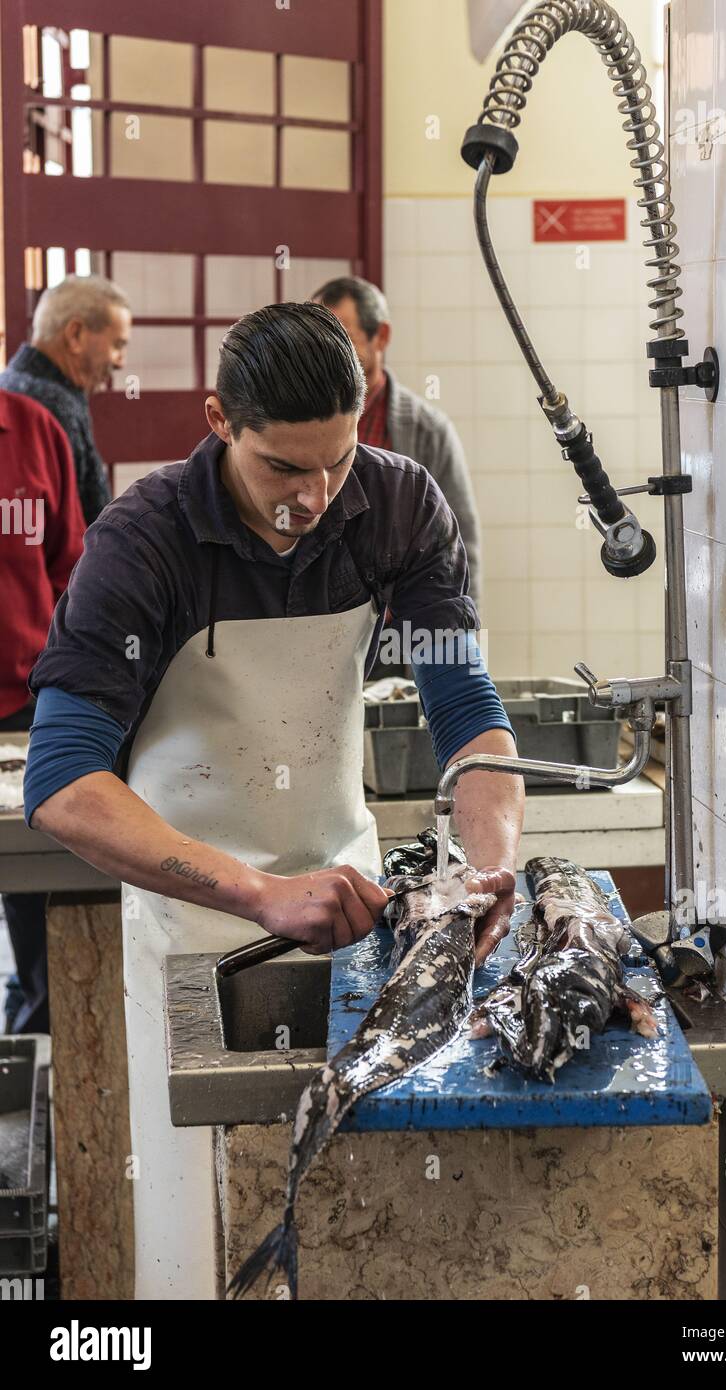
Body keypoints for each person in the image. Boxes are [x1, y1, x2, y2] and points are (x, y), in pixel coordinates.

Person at [23, 302, 524, 1300]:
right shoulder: (145, 541)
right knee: (201, 1244)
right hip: (193, 931)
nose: (313, 495)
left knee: (357, 1233)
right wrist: (257, 893)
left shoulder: (396, 507)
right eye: (282, 469)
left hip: (349, 914)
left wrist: (487, 865)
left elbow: (464, 706)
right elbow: (64, 785)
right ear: (218, 419)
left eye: (335, 461)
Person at [312, 275, 482, 603]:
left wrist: (462, 631)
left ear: (381, 336)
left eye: (342, 338)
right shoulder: (300, 421)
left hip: (400, 621)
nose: (326, 354)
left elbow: (461, 542)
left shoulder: (428, 431)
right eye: (318, 340)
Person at [0, 389, 85, 1032]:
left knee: (37, 907)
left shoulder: (35, 430)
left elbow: (70, 569)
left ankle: (36, 1044)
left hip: (23, 704)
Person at [0, 274, 132, 525]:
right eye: (117, 345)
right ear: (76, 334)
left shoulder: (7, 384)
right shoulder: (55, 405)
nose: (120, 361)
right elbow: (84, 526)